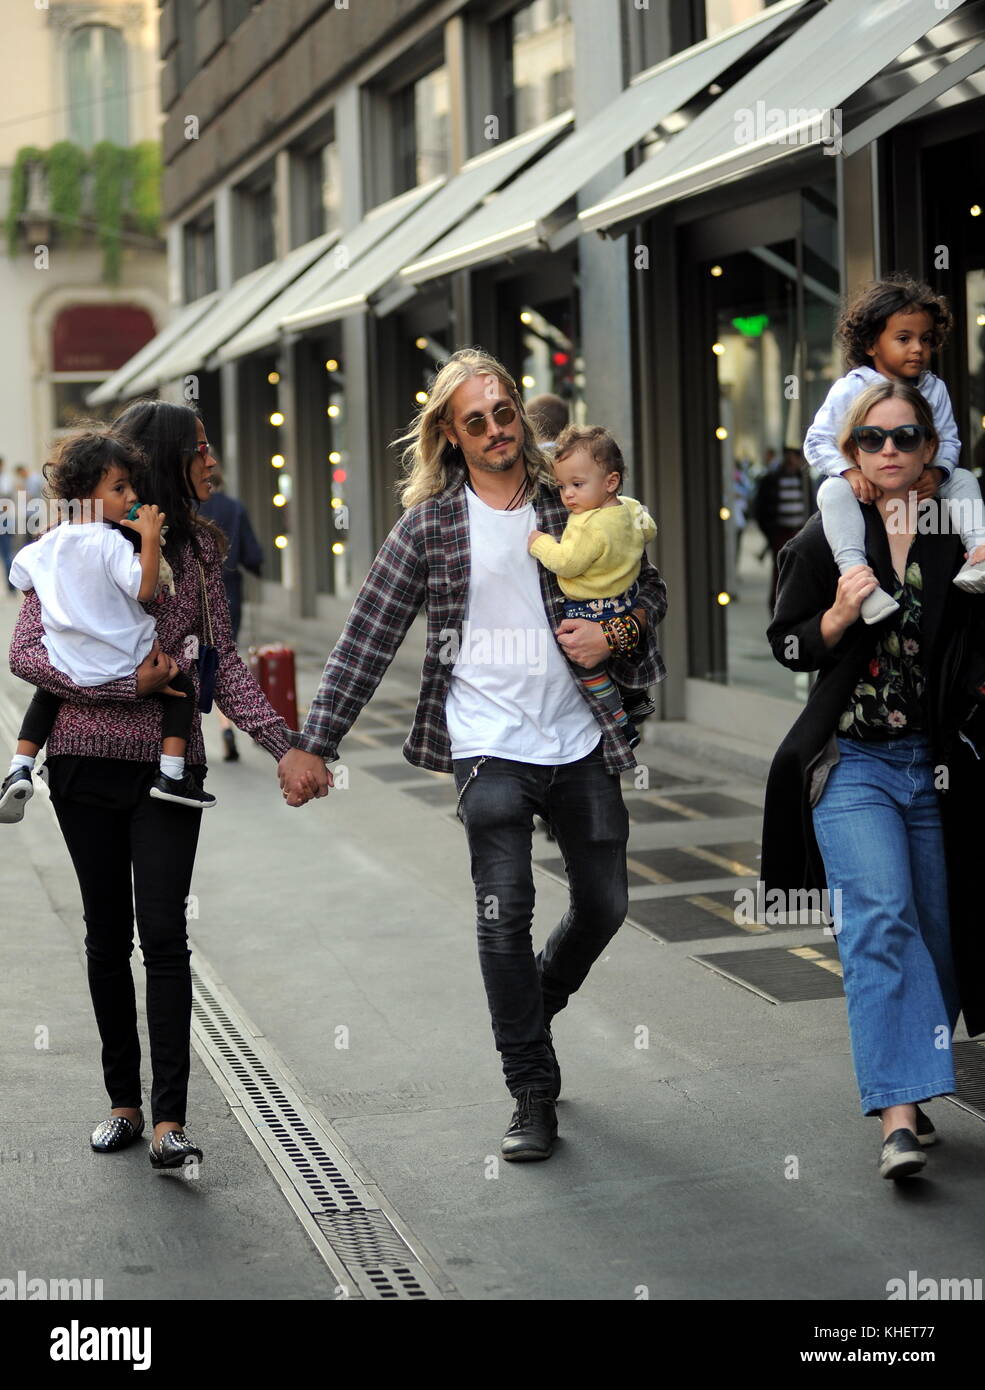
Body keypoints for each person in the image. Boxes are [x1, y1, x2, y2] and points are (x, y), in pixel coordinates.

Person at [278, 348, 667, 1162]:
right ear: (451, 437)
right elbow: (366, 637)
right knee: (504, 910)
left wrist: (613, 633)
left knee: (605, 905)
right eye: (475, 420)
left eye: (503, 412)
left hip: (581, 735)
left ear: (519, 413)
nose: (495, 429)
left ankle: (535, 1001)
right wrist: (314, 743)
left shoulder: (573, 499)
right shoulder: (430, 525)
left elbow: (649, 592)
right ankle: (529, 1086)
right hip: (487, 744)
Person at [7, 400, 314, 1170]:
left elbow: (221, 664)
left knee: (166, 933)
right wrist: (124, 689)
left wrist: (284, 744)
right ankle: (123, 1103)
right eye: (202, 449)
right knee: (106, 936)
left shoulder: (203, 548)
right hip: (80, 766)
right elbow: (26, 654)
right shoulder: (71, 543)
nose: (213, 461)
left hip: (169, 768)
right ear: (169, 458)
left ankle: (170, 1122)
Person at [762, 379, 985, 1182]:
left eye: (905, 436)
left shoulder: (955, 531)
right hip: (850, 763)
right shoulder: (827, 535)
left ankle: (911, 1077)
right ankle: (895, 1117)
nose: (888, 450)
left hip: (938, 767)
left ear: (929, 448)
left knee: (943, 935)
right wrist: (833, 617)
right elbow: (787, 645)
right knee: (878, 922)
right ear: (850, 452)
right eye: (871, 439)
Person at [1, 430, 214, 824]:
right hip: (128, 662)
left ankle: (19, 766)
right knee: (181, 689)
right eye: (119, 487)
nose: (131, 495)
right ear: (85, 495)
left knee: (45, 697)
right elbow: (145, 588)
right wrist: (149, 538)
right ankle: (171, 775)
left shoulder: (44, 547)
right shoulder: (110, 542)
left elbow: (19, 576)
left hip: (69, 664)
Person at [804, 274, 985, 624]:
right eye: (904, 338)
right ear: (872, 343)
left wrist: (938, 471)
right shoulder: (850, 388)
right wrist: (849, 471)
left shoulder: (935, 388)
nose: (918, 348)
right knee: (832, 491)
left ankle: (979, 554)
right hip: (863, 486)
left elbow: (948, 439)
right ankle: (860, 581)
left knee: (963, 478)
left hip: (918, 486)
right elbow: (816, 441)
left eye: (926, 339)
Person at [528, 424, 656, 746]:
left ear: (611, 482)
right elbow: (648, 529)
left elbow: (567, 562)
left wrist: (540, 543)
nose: (567, 495)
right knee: (612, 659)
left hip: (589, 607)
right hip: (623, 599)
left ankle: (618, 719)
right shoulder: (628, 508)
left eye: (577, 485)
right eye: (561, 486)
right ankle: (633, 694)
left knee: (586, 666)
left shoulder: (590, 527)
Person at [197, 463, 263, 763]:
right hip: (228, 594)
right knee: (221, 660)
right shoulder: (234, 508)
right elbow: (253, 555)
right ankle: (227, 726)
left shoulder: (184, 508)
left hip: (191, 597)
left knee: (189, 662)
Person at [753, 446, 812, 612]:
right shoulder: (772, 479)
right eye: (789, 456)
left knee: (802, 572)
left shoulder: (803, 480)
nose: (792, 460)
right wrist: (771, 535)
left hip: (800, 532)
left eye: (795, 456)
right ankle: (778, 609)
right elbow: (760, 509)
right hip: (780, 533)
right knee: (780, 572)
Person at [0, 457, 15, 594]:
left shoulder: (5, 479)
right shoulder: (5, 480)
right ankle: (11, 587)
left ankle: (11, 586)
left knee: (6, 555)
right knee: (6, 554)